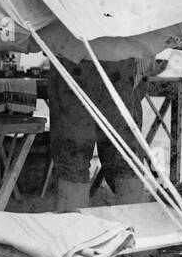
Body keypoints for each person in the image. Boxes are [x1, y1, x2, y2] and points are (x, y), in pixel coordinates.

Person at [47, 56, 152, 211]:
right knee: (123, 158)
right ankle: (131, 225)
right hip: (106, 63)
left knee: (76, 158)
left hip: (79, 61)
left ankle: (129, 225)